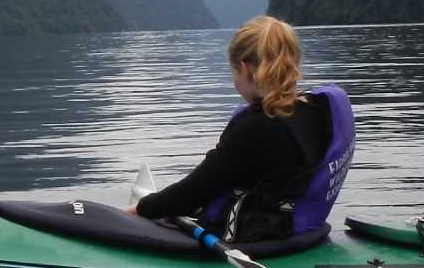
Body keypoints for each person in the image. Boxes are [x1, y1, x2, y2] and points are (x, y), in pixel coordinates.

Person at [132, 15, 353, 245]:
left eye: (234, 72)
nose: (234, 81)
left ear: (246, 70)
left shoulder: (256, 127)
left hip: (263, 238)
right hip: (304, 230)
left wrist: (140, 208)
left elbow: (191, 194)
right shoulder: (318, 111)